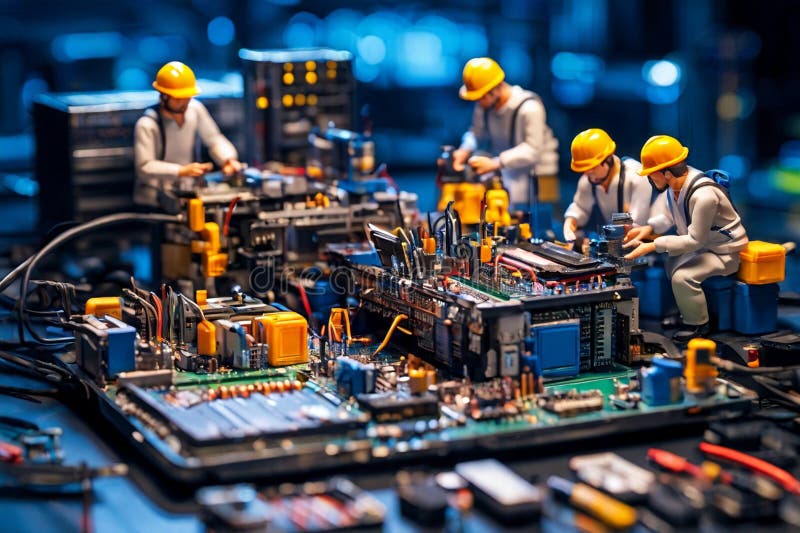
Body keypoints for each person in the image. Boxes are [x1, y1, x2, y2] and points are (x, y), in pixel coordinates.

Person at [623, 135, 748, 342]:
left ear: (667, 173)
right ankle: (685, 312)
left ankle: (698, 324)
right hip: (706, 248)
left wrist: (652, 246)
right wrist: (648, 229)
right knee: (671, 263)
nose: (650, 179)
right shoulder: (675, 188)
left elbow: (694, 241)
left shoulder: (704, 196)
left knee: (683, 277)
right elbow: (669, 216)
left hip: (725, 252)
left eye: (652, 174)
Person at [452, 57, 558, 207]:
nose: (478, 102)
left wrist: (495, 163)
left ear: (496, 88)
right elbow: (476, 132)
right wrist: (465, 149)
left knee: (541, 217)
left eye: (481, 97)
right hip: (507, 171)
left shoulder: (529, 108)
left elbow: (533, 149)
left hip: (539, 175)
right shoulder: (484, 106)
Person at [134, 61, 242, 207]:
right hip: (155, 198)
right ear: (164, 96)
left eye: (187, 97)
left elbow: (213, 138)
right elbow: (144, 166)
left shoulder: (195, 109)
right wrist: (181, 170)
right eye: (178, 98)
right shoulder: (147, 124)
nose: (184, 103)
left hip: (187, 191)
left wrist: (227, 159)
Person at [562, 128, 669, 245]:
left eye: (592, 168)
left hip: (649, 243)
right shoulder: (588, 180)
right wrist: (571, 220)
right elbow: (580, 207)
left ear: (608, 160)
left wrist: (608, 227)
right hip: (616, 242)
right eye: (584, 169)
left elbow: (637, 220)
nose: (587, 173)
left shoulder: (636, 176)